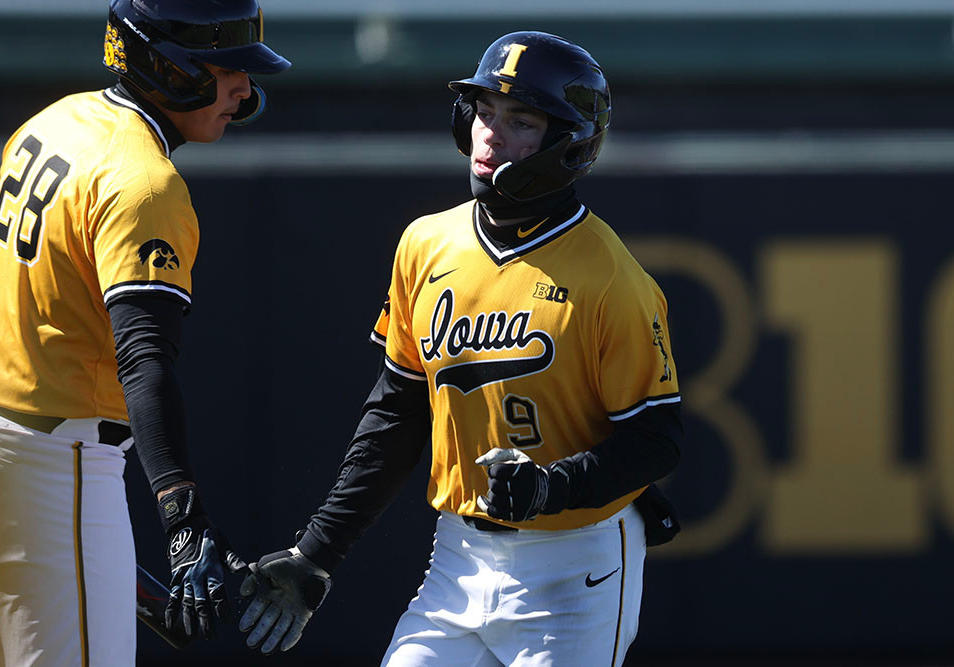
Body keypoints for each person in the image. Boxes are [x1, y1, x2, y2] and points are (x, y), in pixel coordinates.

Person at [238, 31, 683, 665]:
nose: (491, 134)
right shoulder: (427, 243)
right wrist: (317, 553)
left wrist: (552, 488)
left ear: (569, 143)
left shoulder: (611, 277)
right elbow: (397, 413)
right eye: (484, 111)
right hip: (458, 559)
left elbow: (658, 438)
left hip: (576, 565)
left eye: (521, 120)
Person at [0, 1, 289, 664]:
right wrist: (182, 520)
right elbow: (146, 363)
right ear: (170, 67)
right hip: (58, 471)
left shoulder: (52, 122)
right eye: (228, 71)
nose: (245, 91)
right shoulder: (145, 182)